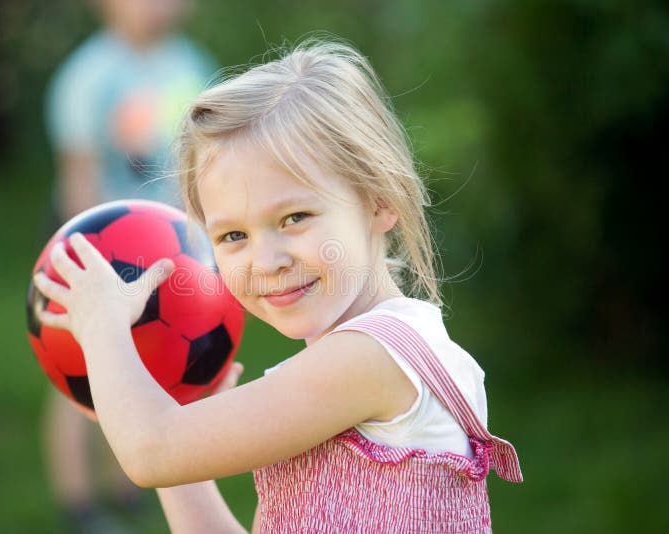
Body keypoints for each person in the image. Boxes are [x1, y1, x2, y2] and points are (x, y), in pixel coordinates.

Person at [34, 38, 523, 532]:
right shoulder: (351, 363)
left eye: (294, 217)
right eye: (233, 235)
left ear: (378, 201)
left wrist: (102, 326)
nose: (266, 261)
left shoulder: (373, 359)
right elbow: (163, 458)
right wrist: (170, 420)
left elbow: (150, 452)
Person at [40, 0, 215, 529]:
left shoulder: (192, 67)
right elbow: (79, 179)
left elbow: (204, 161)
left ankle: (130, 486)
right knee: (84, 370)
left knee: (150, 364)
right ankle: (78, 501)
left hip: (169, 247)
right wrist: (92, 263)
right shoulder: (89, 76)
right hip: (101, 250)